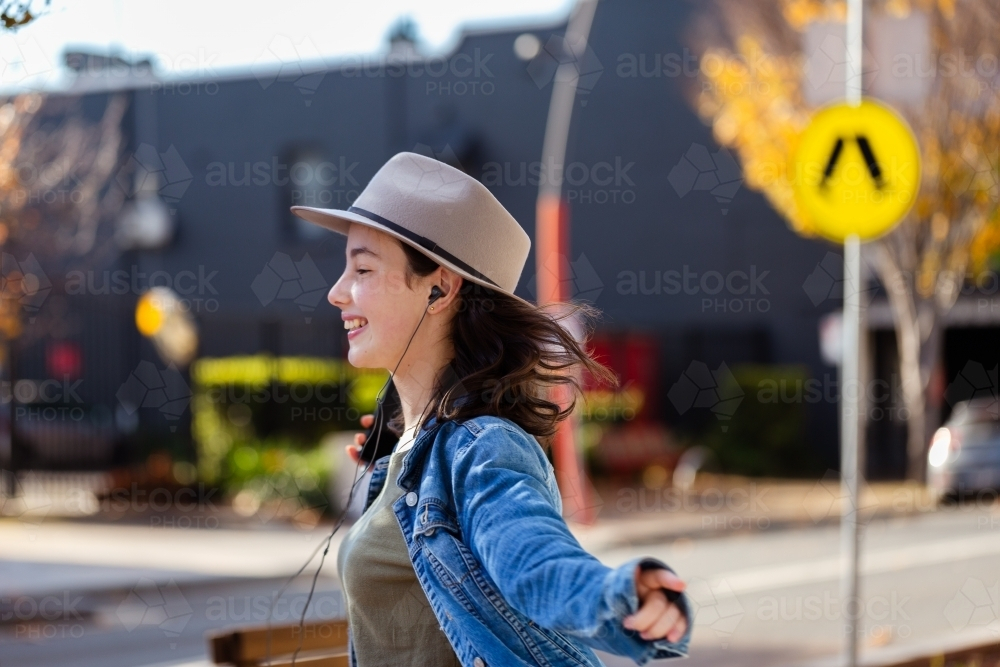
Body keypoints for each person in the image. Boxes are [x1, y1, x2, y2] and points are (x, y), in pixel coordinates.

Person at [290, 152, 692, 667]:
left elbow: (530, 556)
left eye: (363, 268)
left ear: (439, 288)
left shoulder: (484, 448)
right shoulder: (416, 449)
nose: (336, 292)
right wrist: (397, 445)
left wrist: (617, 597)